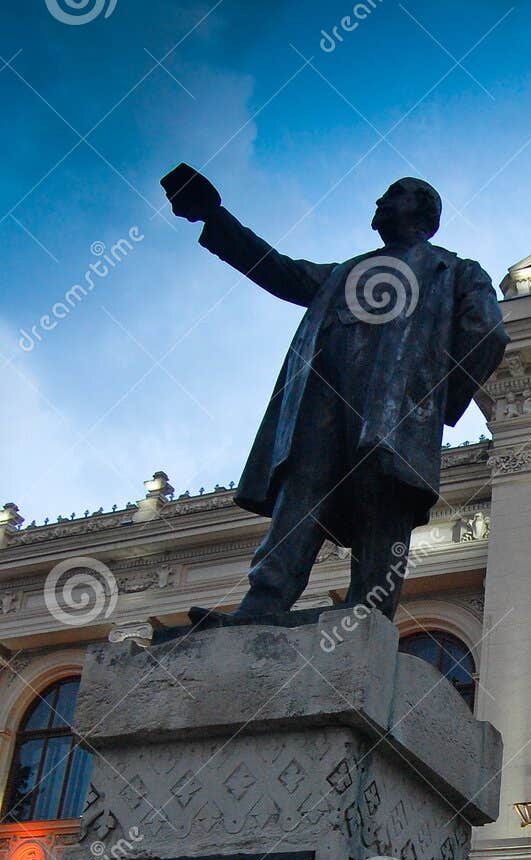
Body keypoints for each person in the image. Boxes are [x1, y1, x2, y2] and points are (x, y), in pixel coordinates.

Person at [161, 164, 508, 622]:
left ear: (423, 210)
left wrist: (429, 401)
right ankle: (263, 603)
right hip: (321, 404)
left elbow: (487, 334)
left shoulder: (455, 271)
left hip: (393, 414)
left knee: (383, 503)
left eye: (393, 194)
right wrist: (214, 216)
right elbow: (280, 272)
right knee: (300, 496)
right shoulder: (347, 273)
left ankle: (368, 608)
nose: (380, 202)